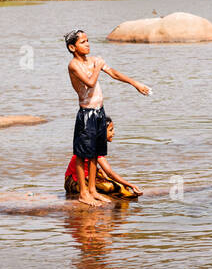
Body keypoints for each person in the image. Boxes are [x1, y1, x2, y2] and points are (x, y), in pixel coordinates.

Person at [64, 28, 150, 207]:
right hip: (86, 113)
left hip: (99, 112)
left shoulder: (95, 61)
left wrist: (135, 83)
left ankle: (93, 191)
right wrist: (97, 67)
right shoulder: (74, 65)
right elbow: (89, 82)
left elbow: (114, 73)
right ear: (72, 47)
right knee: (82, 154)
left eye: (88, 41)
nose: (87, 44)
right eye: (82, 42)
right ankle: (83, 193)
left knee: (96, 152)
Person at [64, 117, 142, 199]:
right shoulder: (93, 145)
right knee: (114, 187)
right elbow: (110, 173)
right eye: (111, 130)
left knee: (121, 186)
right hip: (73, 181)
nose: (113, 133)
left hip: (86, 177)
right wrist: (131, 185)